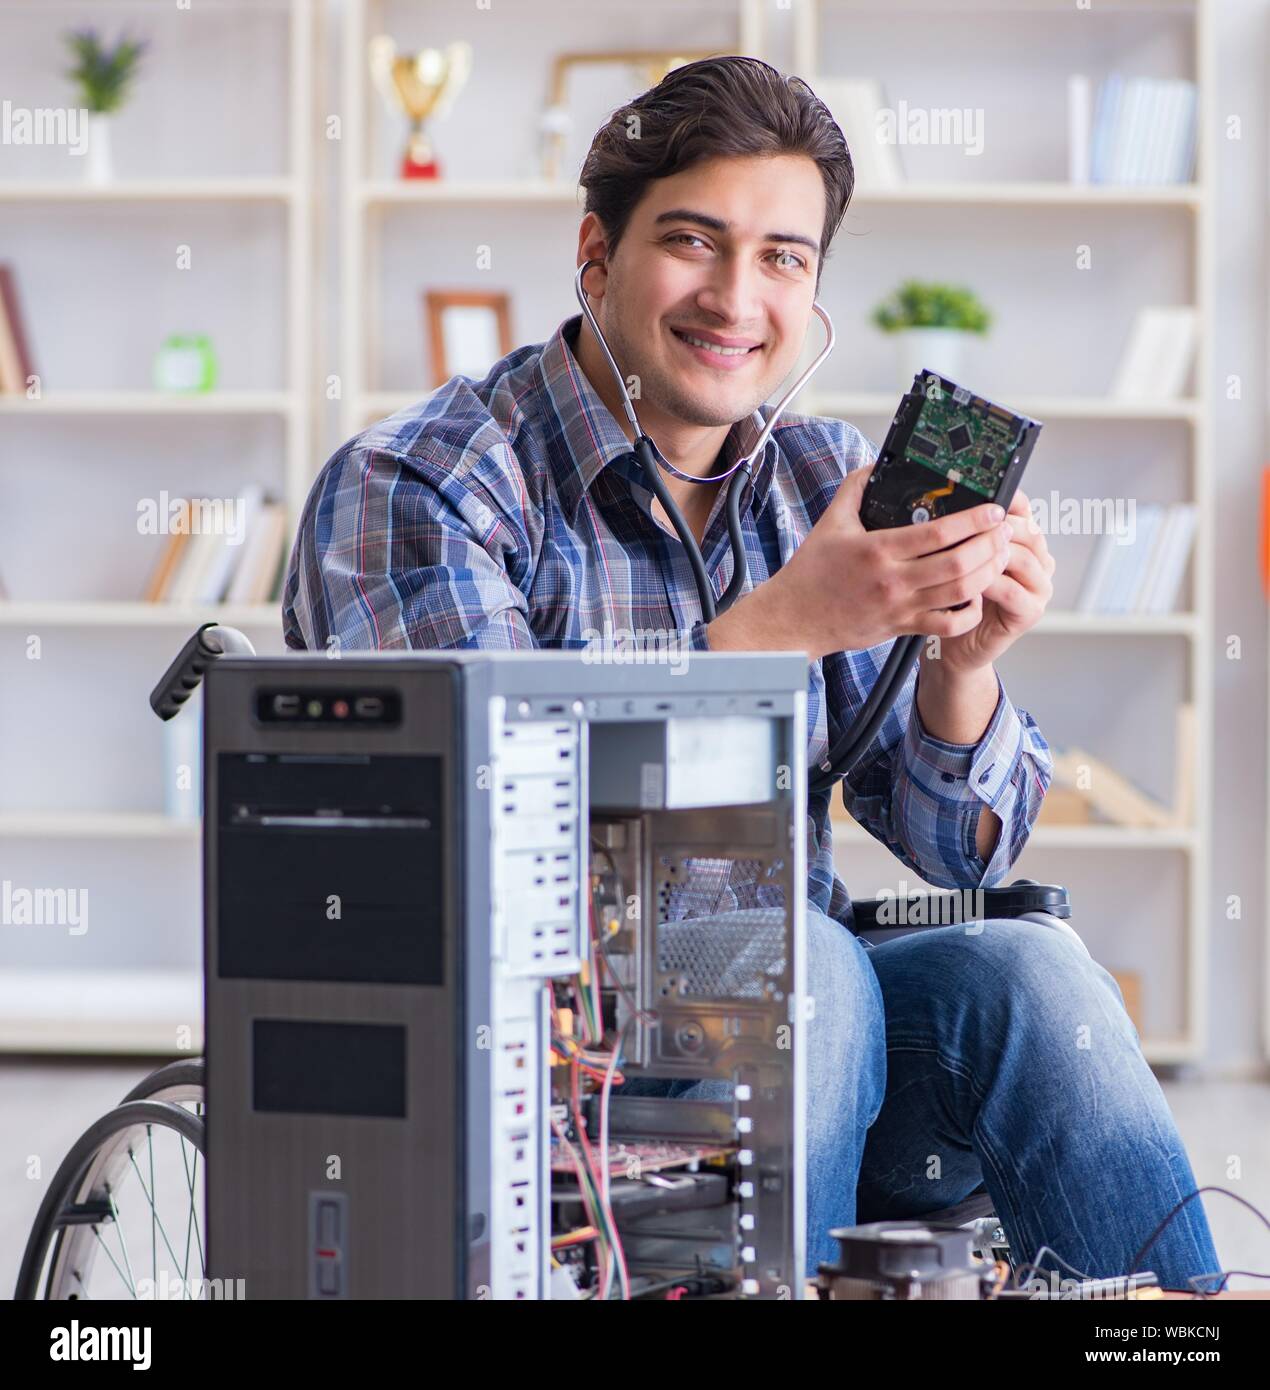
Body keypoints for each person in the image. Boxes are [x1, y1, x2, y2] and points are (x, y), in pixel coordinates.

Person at [283, 55, 1220, 1290]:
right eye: (692, 240)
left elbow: (964, 855)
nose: (737, 297)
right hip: (529, 1069)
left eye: (784, 256)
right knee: (798, 954)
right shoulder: (420, 486)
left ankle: (1185, 1321)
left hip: (811, 1066)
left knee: (1028, 970)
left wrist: (961, 670)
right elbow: (475, 826)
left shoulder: (814, 480)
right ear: (595, 253)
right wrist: (779, 625)